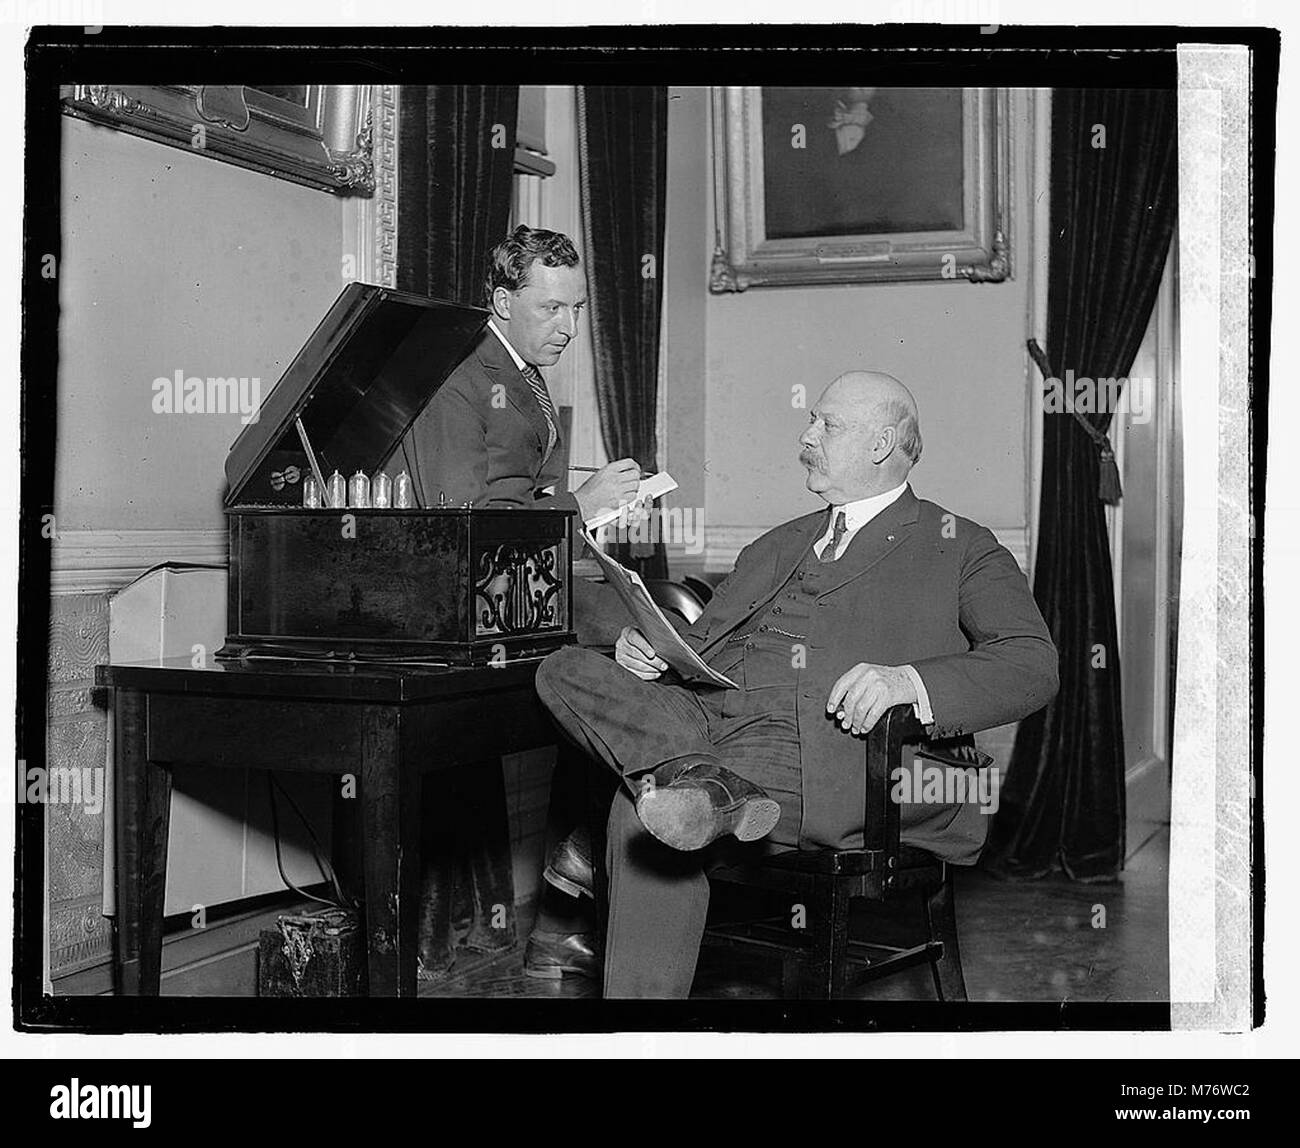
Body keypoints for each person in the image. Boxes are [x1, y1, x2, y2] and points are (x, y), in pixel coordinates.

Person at [534, 371, 1060, 997]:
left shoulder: (963, 546)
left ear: (881, 443)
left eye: (826, 424)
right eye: (811, 420)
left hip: (829, 750)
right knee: (563, 668)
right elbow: (706, 648)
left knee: (643, 810)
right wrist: (652, 648)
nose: (805, 435)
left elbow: (1032, 664)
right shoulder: (778, 543)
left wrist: (909, 680)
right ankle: (702, 780)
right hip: (710, 722)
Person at [388, 226, 635, 981]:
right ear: (500, 300)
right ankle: (573, 892)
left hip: (525, 585)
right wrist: (578, 507)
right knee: (641, 642)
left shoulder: (523, 372)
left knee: (662, 625)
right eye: (550, 307)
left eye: (577, 309)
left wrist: (586, 509)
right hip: (473, 596)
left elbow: (517, 496)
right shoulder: (463, 372)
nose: (567, 326)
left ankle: (577, 881)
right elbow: (460, 514)